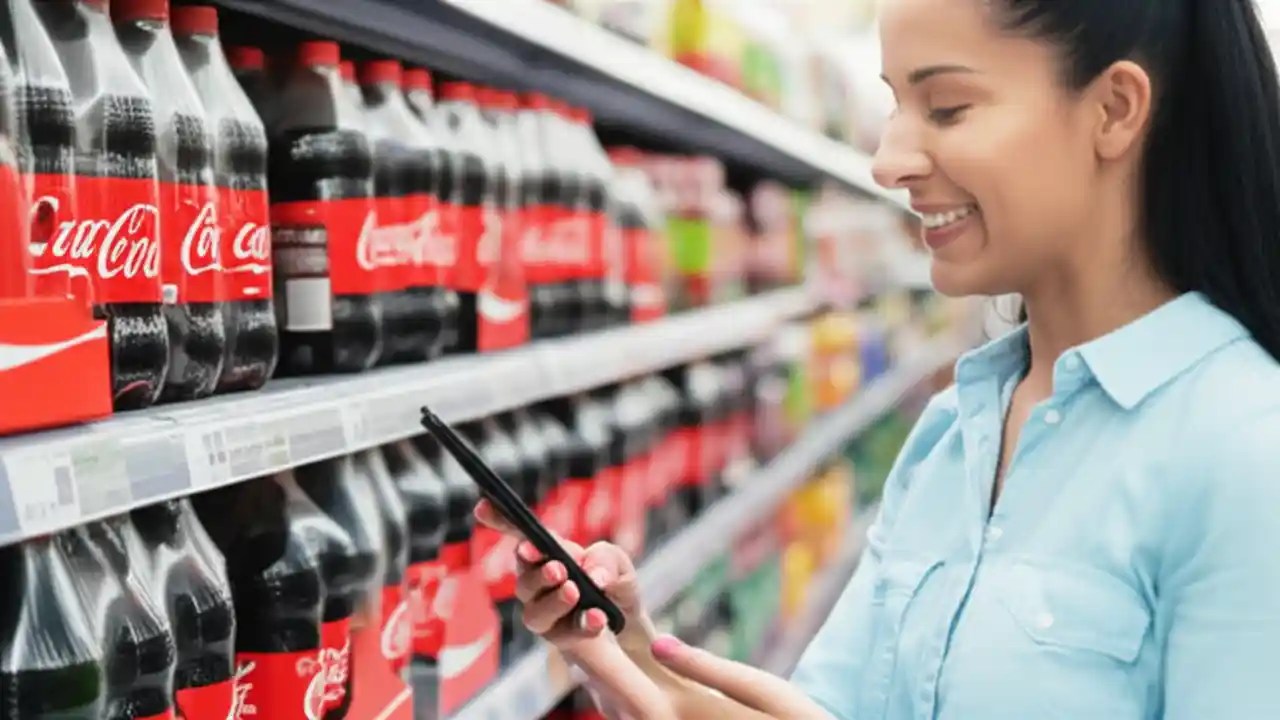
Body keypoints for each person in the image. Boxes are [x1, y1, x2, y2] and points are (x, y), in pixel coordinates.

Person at [477, 0, 1280, 717]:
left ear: (1113, 109)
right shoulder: (952, 433)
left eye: (948, 108)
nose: (888, 160)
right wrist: (636, 663)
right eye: (897, 105)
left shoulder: (1245, 448)